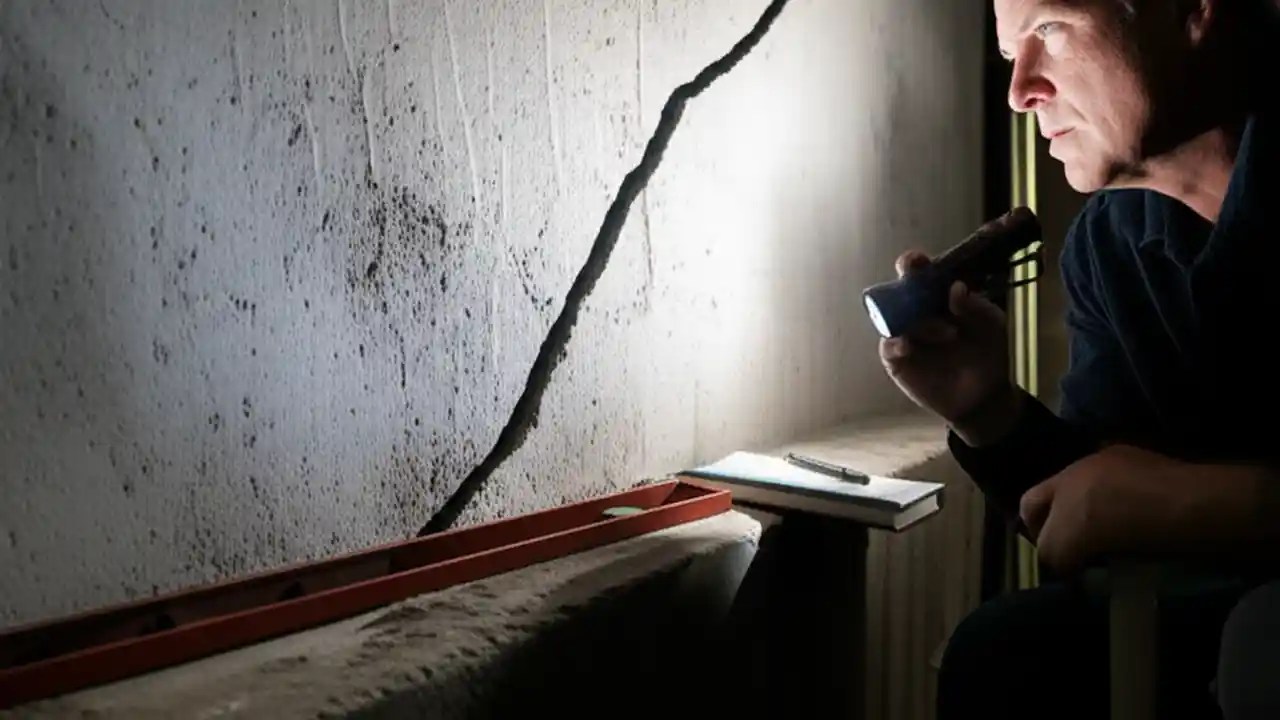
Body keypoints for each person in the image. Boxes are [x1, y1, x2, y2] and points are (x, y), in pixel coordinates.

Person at [879, 0, 1280, 717]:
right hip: (1211, 619)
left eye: (1050, 30)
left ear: (1194, 11)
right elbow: (1094, 515)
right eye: (1010, 55)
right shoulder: (1109, 249)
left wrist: (1203, 504)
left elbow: (1144, 503)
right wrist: (987, 411)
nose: (1021, 89)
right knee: (1005, 653)